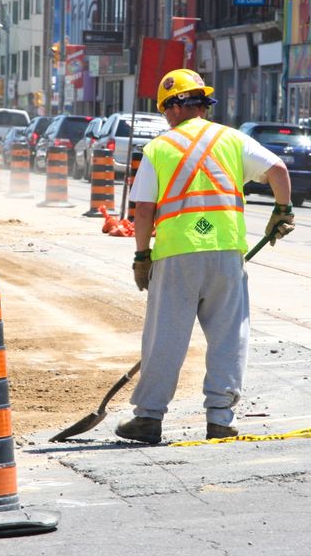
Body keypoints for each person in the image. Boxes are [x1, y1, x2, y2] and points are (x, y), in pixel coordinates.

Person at [117, 68, 295, 444]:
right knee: (229, 336)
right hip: (226, 253)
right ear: (202, 103)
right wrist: (283, 211)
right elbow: (278, 169)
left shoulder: (158, 148)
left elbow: (144, 210)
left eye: (165, 110)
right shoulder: (232, 139)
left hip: (176, 255)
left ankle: (148, 418)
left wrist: (141, 256)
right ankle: (221, 418)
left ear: (173, 107)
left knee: (165, 337)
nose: (166, 118)